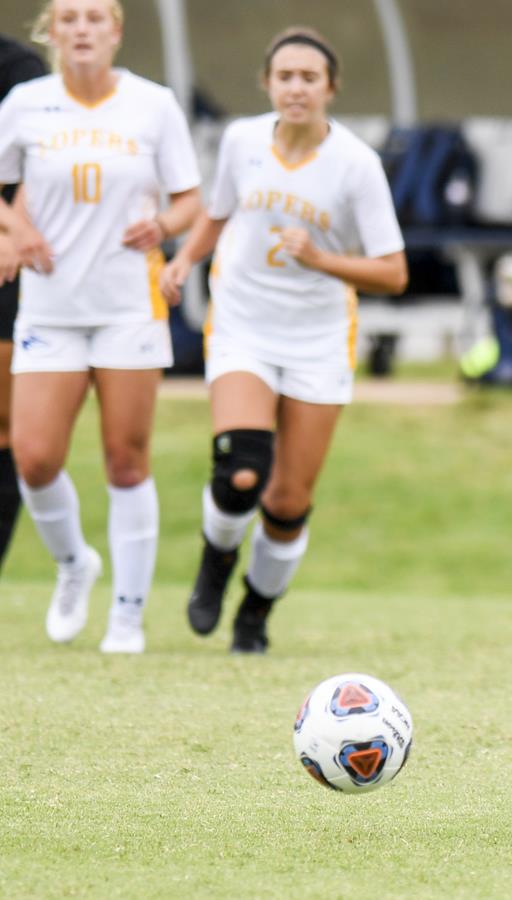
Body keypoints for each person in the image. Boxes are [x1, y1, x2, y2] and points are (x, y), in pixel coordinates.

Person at [160, 28, 406, 654]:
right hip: (242, 325)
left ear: (330, 88)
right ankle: (215, 561)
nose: (296, 88)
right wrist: (184, 259)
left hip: (319, 339)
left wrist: (321, 259)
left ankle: (254, 615)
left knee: (287, 499)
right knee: (242, 471)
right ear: (268, 84)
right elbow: (218, 212)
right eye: (285, 76)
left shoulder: (356, 164)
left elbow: (393, 272)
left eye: (309, 78)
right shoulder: (243, 140)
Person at [0, 0, 201, 653]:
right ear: (52, 32)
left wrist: (165, 227)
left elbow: (190, 199)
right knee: (33, 459)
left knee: (125, 459)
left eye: (95, 17)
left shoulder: (154, 104)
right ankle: (73, 565)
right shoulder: (25, 103)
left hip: (127, 307)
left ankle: (127, 617)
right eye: (69, 18)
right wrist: (15, 228)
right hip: (51, 308)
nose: (81, 29)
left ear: (115, 31)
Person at [0, 31, 45, 578]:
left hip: (6, 256)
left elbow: (35, 167)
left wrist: (10, 230)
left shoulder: (18, 67)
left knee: (5, 426)